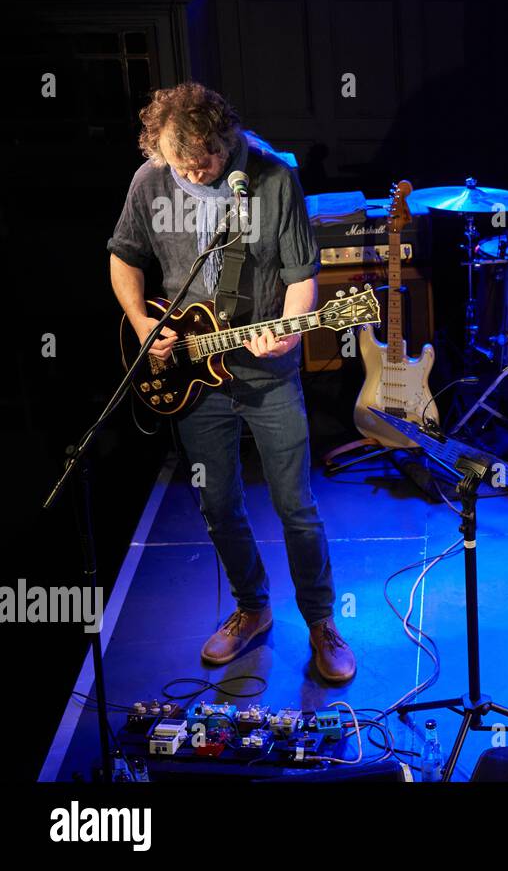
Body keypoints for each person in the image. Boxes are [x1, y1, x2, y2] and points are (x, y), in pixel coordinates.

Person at [107, 83, 356, 684]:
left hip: (268, 374)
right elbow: (123, 256)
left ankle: (322, 621)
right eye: (181, 160)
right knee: (217, 504)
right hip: (193, 374)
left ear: (228, 141)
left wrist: (292, 332)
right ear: (159, 147)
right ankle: (252, 607)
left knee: (294, 503)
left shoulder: (273, 180)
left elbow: (302, 279)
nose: (195, 169)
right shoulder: (150, 182)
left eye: (207, 158)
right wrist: (142, 323)